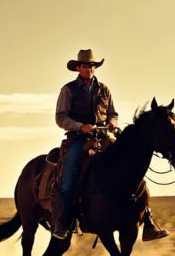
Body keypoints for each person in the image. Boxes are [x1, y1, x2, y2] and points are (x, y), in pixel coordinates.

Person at [52, 49, 167, 241]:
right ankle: (64, 221)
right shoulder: (68, 90)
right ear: (78, 68)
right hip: (78, 139)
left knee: (130, 162)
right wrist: (81, 126)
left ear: (94, 68)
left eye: (91, 66)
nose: (89, 69)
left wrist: (112, 122)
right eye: (85, 66)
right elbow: (61, 117)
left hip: (104, 136)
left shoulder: (104, 89)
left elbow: (112, 113)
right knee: (69, 176)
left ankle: (146, 214)